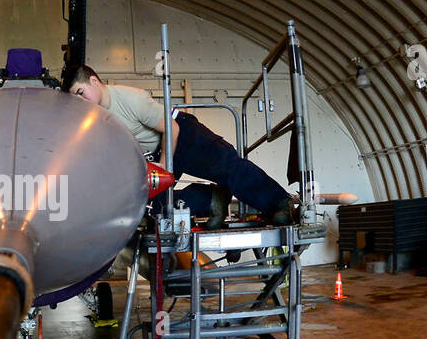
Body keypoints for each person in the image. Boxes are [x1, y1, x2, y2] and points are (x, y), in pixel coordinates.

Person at [64, 65, 295, 225]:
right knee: (152, 207)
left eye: (81, 92)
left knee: (226, 166)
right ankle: (212, 199)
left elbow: (171, 129)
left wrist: (164, 169)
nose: (80, 101)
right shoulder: (95, 117)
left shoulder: (129, 99)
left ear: (94, 81)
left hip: (181, 132)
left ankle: (281, 204)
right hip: (154, 151)